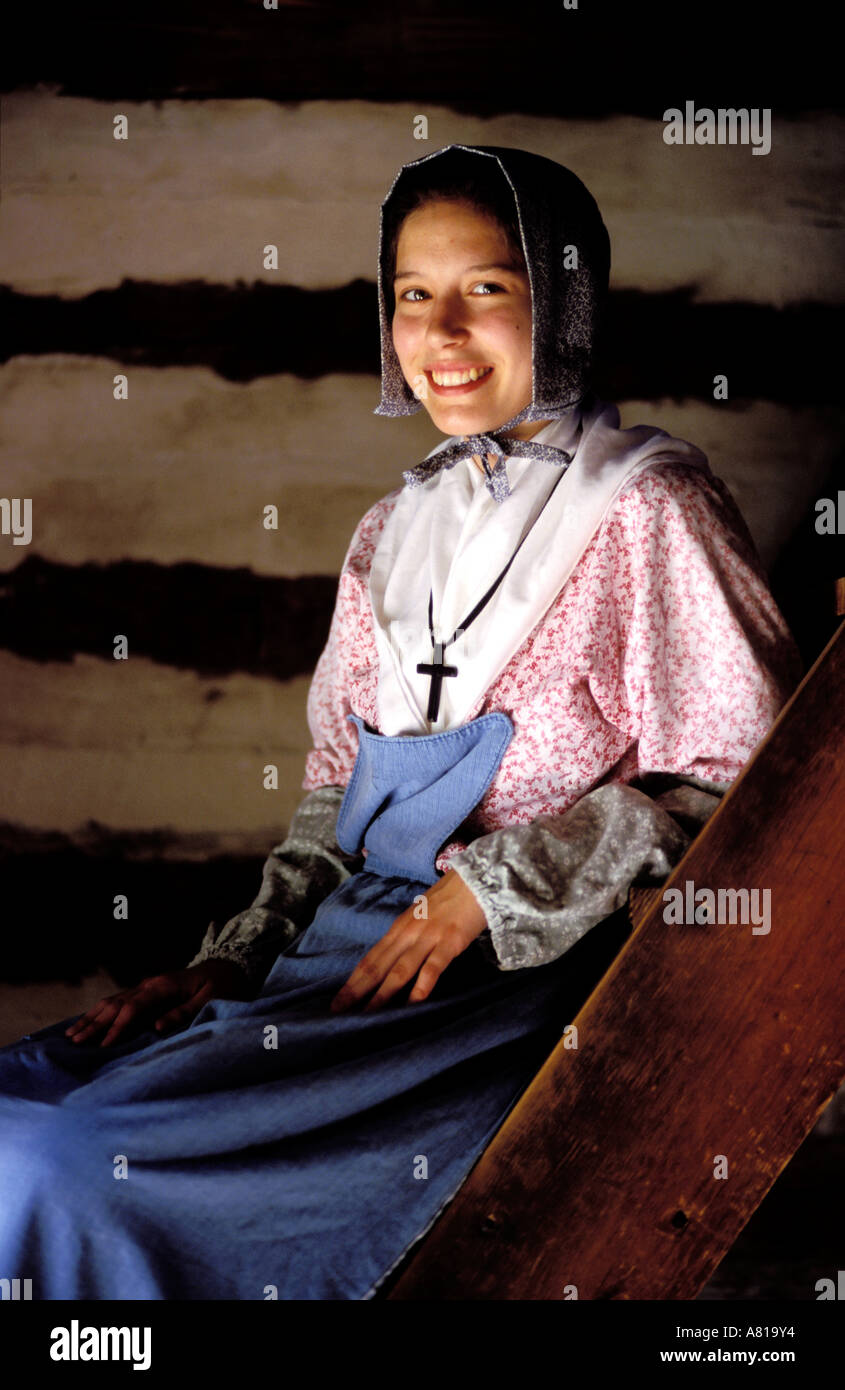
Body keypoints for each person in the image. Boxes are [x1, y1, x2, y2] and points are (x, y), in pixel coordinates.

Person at [0, 144, 800, 1300]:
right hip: (330, 960)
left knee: (74, 1160)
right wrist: (231, 961)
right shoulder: (390, 529)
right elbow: (337, 795)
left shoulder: (650, 509)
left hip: (474, 1001)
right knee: (23, 1105)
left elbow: (743, 790)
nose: (441, 332)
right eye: (412, 296)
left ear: (564, 301)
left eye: (486, 288)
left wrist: (489, 885)